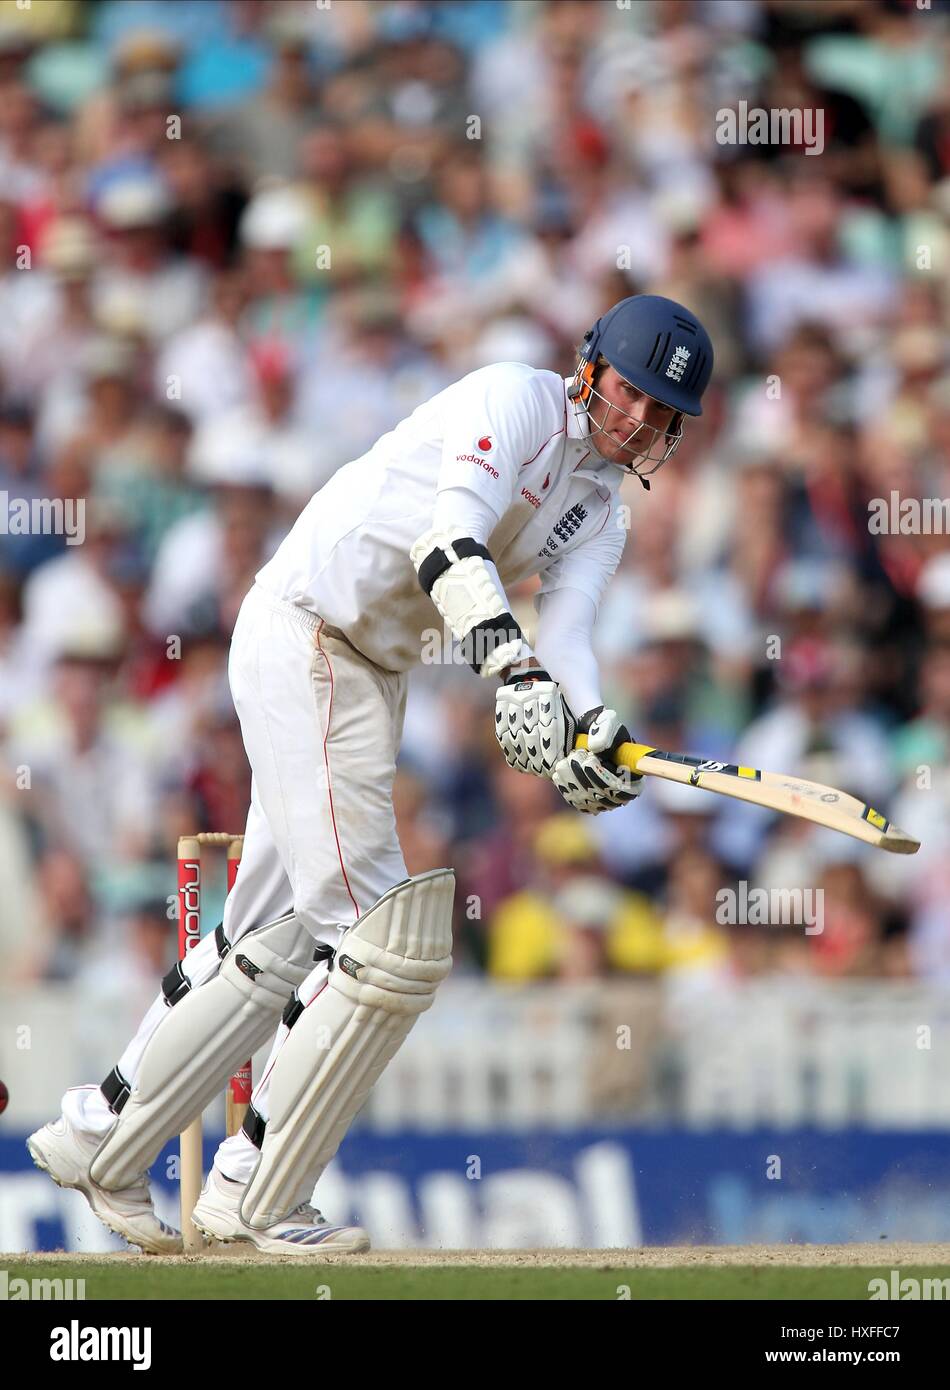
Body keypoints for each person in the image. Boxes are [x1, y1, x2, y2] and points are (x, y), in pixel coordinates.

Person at [27, 294, 713, 1255]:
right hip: (310, 631)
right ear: (591, 365)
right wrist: (511, 672)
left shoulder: (600, 510)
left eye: (662, 415)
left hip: (365, 671)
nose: (638, 421)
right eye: (630, 393)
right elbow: (449, 542)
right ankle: (257, 1190)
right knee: (383, 938)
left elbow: (568, 640)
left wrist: (591, 731)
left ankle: (96, 1139)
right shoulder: (513, 401)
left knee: (270, 936)